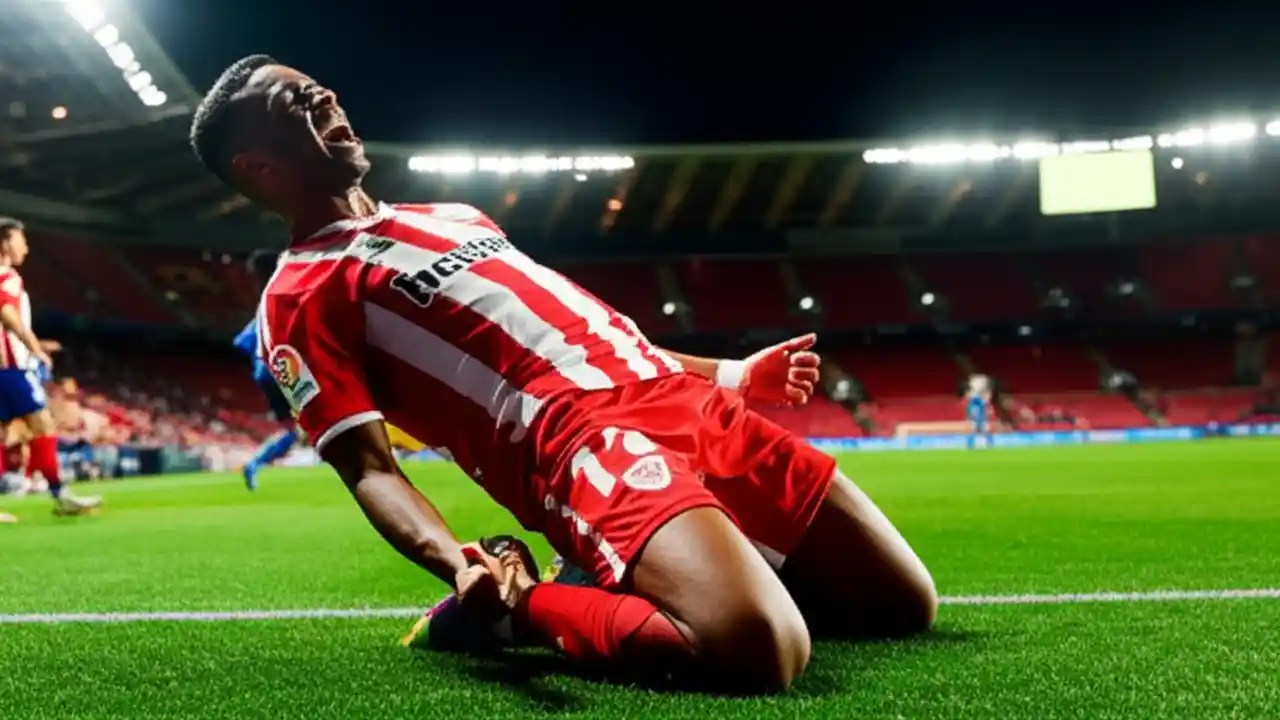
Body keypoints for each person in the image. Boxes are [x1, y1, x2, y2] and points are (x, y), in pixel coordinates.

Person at [190, 56, 935, 693]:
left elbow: (596, 332)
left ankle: (612, 572)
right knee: (759, 648)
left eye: (318, 88)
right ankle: (519, 611)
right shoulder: (298, 295)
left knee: (903, 606)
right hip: (578, 439)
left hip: (677, 399)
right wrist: (457, 565)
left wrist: (735, 376)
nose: (324, 98)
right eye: (295, 103)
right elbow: (367, 468)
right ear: (259, 167)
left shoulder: (455, 215)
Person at [0, 218, 100, 516]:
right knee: (42, 424)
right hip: (11, 369)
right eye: (21, 240)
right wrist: (33, 348)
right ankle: (61, 495)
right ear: (5, 242)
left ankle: (58, 494)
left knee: (4, 432)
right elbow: (7, 315)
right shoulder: (8, 277)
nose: (26, 248)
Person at [233, 313, 299, 491]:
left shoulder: (258, 319)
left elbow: (239, 343)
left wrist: (257, 355)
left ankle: (254, 464)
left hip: (262, 374)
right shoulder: (281, 314)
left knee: (293, 430)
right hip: (280, 369)